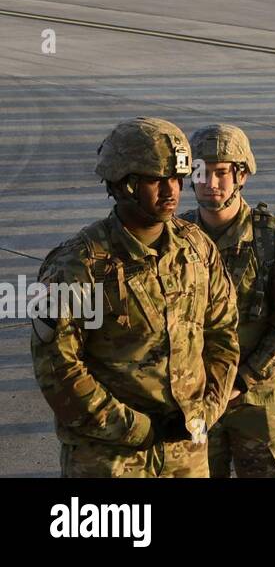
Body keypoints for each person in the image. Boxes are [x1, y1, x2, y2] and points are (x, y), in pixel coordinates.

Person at [32, 117, 239, 477]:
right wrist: (135, 428)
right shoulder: (79, 265)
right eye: (157, 180)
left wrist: (205, 411)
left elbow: (222, 333)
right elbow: (58, 369)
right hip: (109, 457)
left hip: (186, 452)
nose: (171, 190)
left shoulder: (196, 249)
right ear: (125, 184)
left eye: (176, 179)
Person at [182, 124, 275, 478]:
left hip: (255, 396)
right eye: (201, 172)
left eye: (221, 173)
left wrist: (243, 380)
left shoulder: (272, 236)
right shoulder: (177, 239)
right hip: (194, 398)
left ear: (241, 175)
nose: (210, 183)